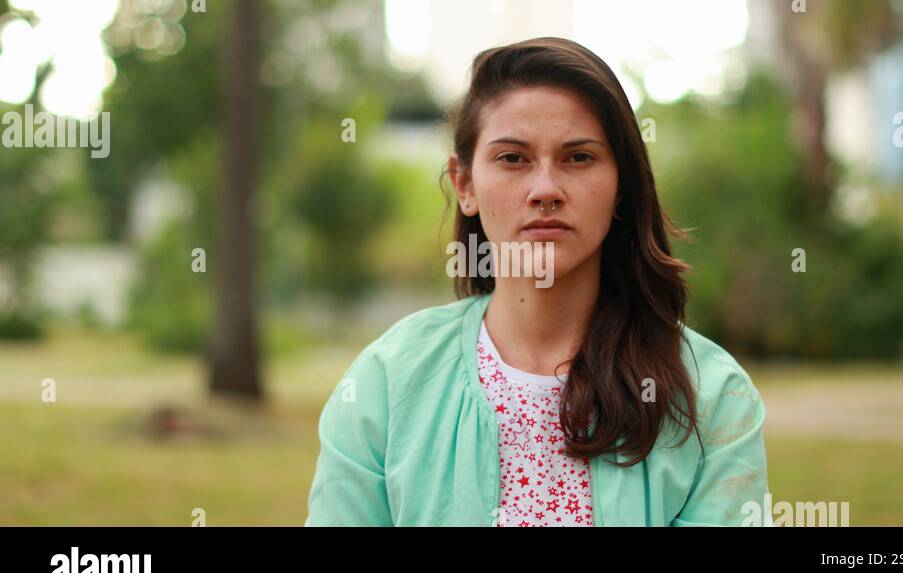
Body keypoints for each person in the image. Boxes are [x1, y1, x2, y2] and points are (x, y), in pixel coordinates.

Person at [305, 36, 770, 527]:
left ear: (621, 188)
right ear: (464, 185)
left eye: (579, 157)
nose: (545, 189)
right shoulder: (386, 382)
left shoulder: (710, 397)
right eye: (513, 158)